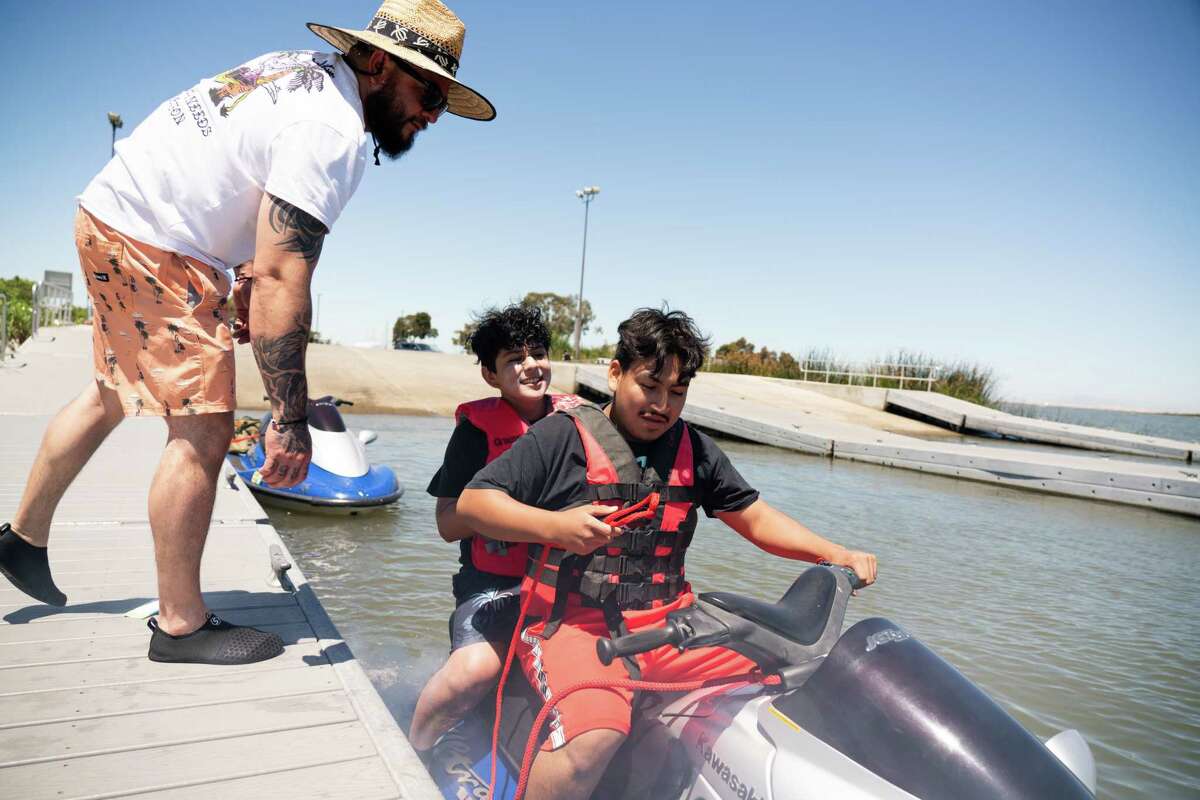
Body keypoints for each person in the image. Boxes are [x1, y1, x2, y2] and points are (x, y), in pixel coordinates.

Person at [0, 0, 495, 665]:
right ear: (377, 60)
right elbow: (283, 274)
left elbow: (235, 179)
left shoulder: (303, 71)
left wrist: (237, 277)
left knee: (112, 390)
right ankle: (179, 624)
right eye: (429, 92)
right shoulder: (334, 130)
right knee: (205, 431)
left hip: (113, 213)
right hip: (159, 242)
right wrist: (289, 418)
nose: (433, 115)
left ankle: (21, 538)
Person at [456, 308, 878, 799]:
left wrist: (836, 553)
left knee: (794, 677)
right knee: (595, 739)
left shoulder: (696, 450)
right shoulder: (560, 437)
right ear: (616, 374)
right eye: (650, 386)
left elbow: (756, 519)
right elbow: (473, 502)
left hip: (673, 625)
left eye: (676, 393)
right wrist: (556, 526)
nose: (662, 404)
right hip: (576, 627)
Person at [410, 305, 581, 750]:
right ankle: (416, 748)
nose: (531, 367)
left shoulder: (580, 422)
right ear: (491, 374)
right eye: (514, 359)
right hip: (491, 583)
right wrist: (520, 518)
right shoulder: (474, 433)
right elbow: (447, 525)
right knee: (476, 670)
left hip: (567, 583)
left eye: (538, 353)